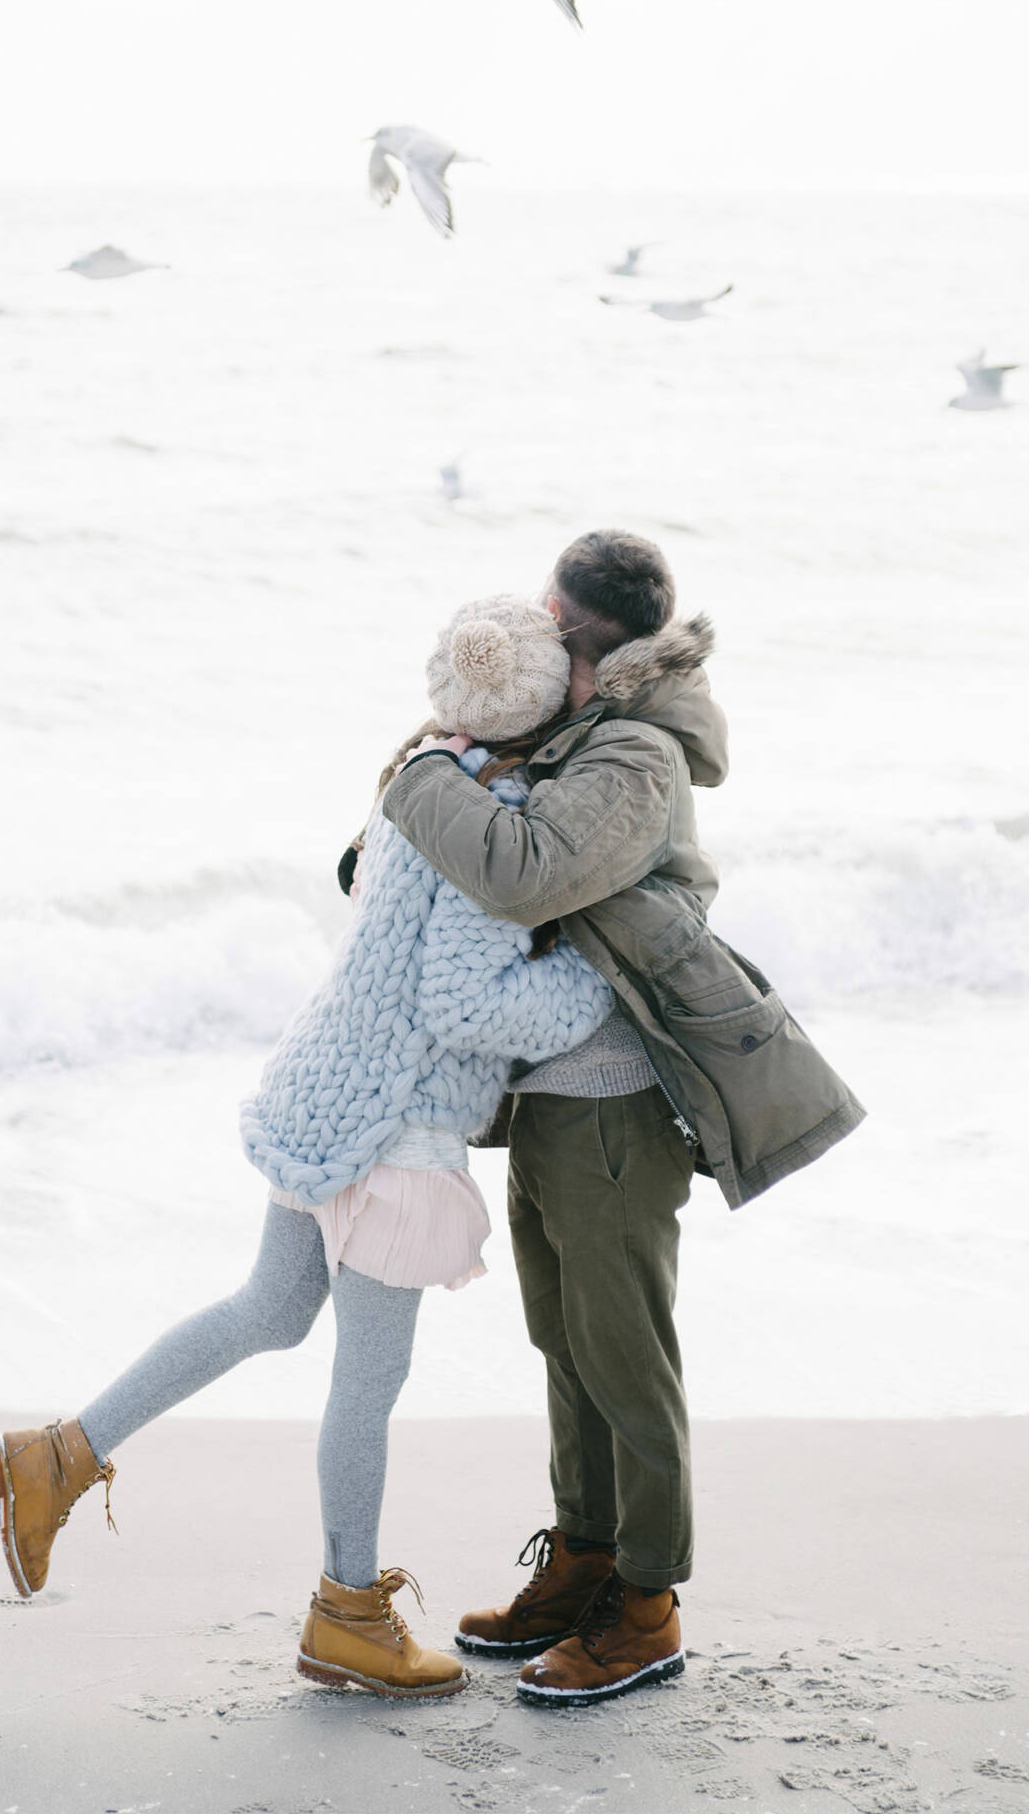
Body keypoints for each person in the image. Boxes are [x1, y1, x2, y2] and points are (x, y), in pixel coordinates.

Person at [0, 593, 616, 1700]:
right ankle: (348, 1612)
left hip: (324, 1093)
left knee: (267, 1311)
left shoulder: (420, 770)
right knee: (365, 1382)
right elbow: (467, 997)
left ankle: (61, 1452)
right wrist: (594, 982)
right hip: (395, 1133)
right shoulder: (495, 814)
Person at [378, 529, 863, 1709]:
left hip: (615, 1102)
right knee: (563, 1342)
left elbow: (526, 872)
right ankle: (586, 1557)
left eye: (548, 615)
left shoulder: (635, 756)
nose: (533, 627)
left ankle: (645, 1603)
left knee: (623, 1355)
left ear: (583, 630)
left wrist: (416, 777)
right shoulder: (583, 729)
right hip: (552, 1098)